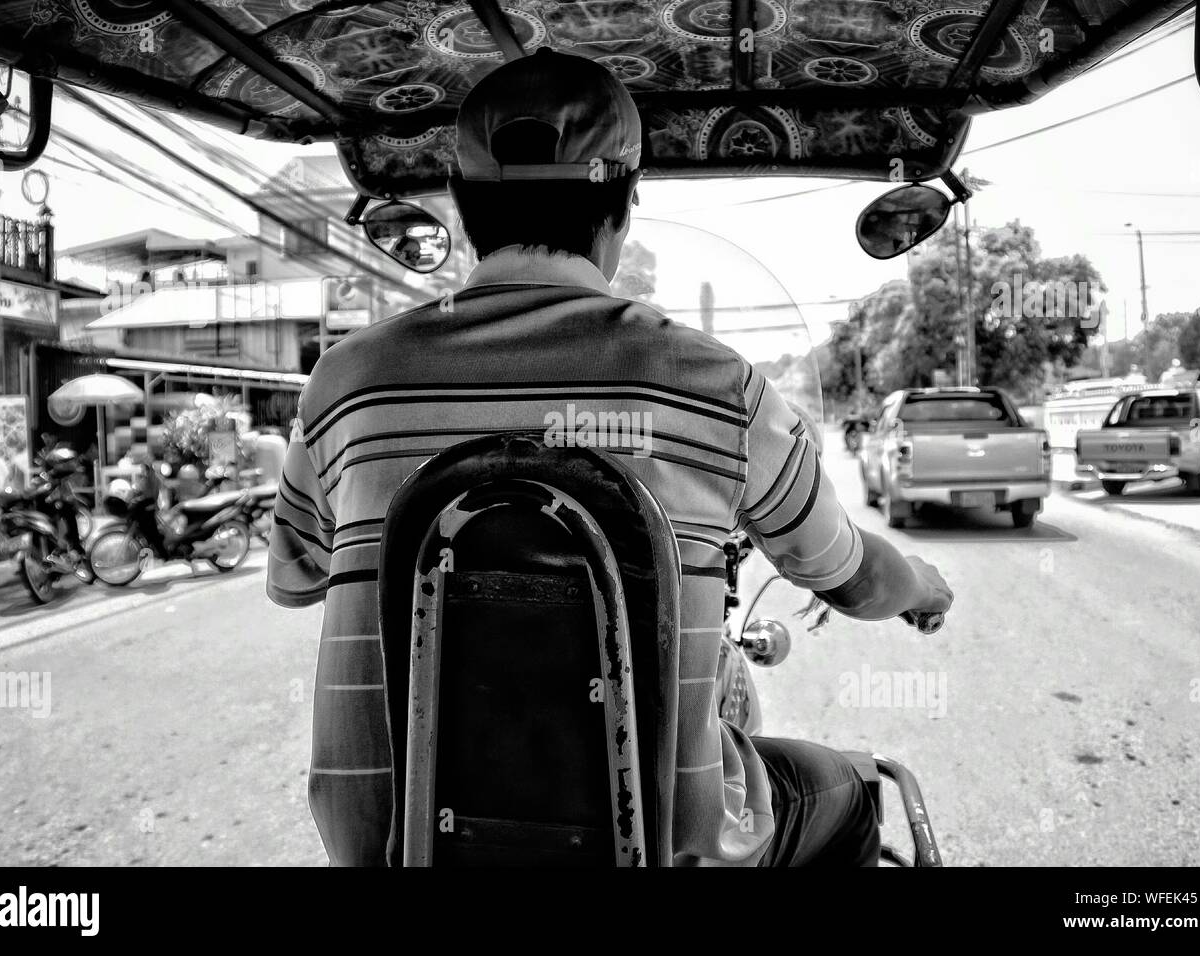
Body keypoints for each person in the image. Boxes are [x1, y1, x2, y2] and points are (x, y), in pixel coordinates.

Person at [266, 48, 953, 867]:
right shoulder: (713, 386)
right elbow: (855, 578)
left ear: (458, 202)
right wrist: (919, 581)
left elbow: (295, 579)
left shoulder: (347, 382)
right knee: (853, 793)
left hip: (387, 848)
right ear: (624, 203)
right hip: (670, 847)